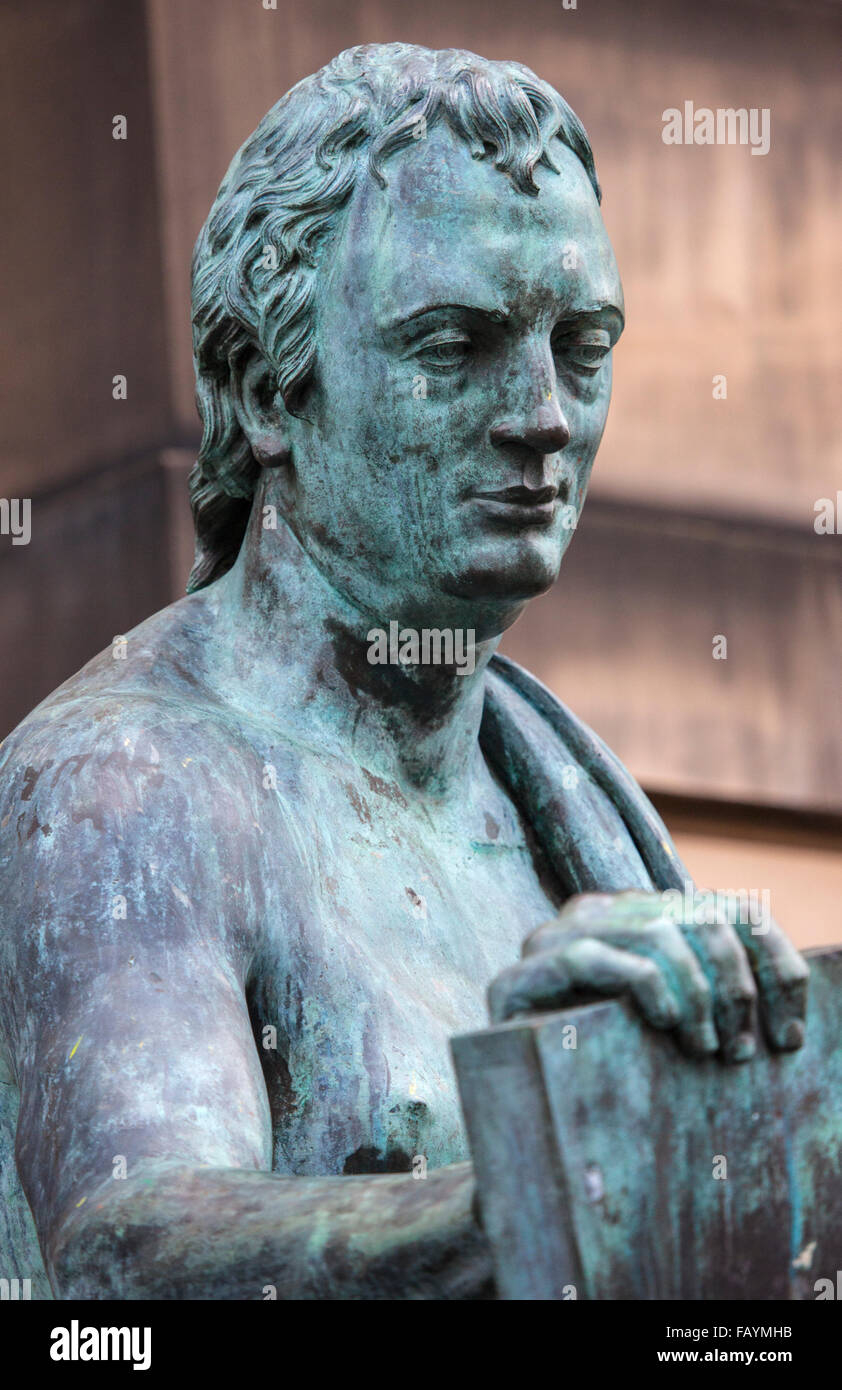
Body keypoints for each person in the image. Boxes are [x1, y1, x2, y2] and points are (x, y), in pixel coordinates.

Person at [0, 43, 808, 1300]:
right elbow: (127, 1250)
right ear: (267, 388)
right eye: (455, 344)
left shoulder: (569, 801)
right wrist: (530, 1178)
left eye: (579, 345)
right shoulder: (127, 781)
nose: (540, 413)